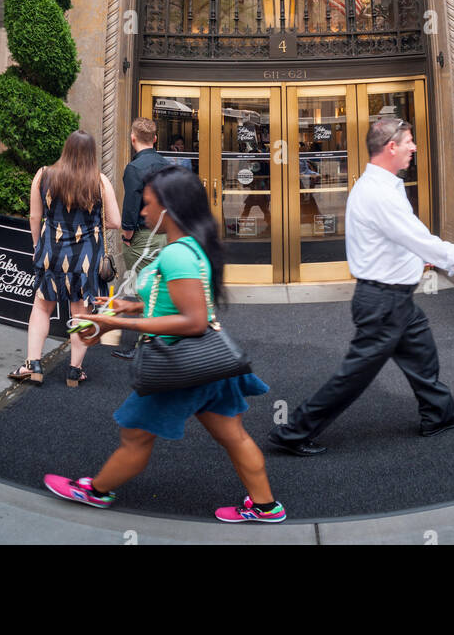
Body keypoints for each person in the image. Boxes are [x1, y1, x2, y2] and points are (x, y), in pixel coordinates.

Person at [267, 116, 454, 457]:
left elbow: (400, 241)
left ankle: (438, 414)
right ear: (391, 147)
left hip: (392, 298)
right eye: (408, 142)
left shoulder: (384, 185)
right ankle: (294, 432)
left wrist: (416, 259)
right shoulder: (379, 194)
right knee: (354, 375)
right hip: (382, 302)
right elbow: (425, 241)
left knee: (421, 352)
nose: (414, 147)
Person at [44, 165, 285, 523]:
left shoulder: (177, 254)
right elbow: (182, 301)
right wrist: (131, 304)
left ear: (169, 208)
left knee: (135, 436)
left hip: (178, 367)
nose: (143, 212)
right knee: (234, 436)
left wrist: (114, 321)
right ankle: (266, 507)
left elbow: (193, 319)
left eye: (149, 203)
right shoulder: (189, 247)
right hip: (209, 363)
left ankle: (95, 491)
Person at [8, 130, 120, 387]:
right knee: (81, 314)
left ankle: (33, 365)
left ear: (66, 149)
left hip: (51, 252)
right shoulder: (100, 182)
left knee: (42, 307)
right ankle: (74, 371)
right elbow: (114, 220)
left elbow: (35, 217)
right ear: (91, 154)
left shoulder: (44, 175)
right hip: (86, 257)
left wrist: (37, 245)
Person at [121, 118, 171, 278]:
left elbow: (131, 205)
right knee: (160, 287)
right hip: (166, 234)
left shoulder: (133, 168)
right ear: (155, 139)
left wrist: (127, 236)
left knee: (144, 288)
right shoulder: (167, 165)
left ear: (132, 138)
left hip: (143, 235)